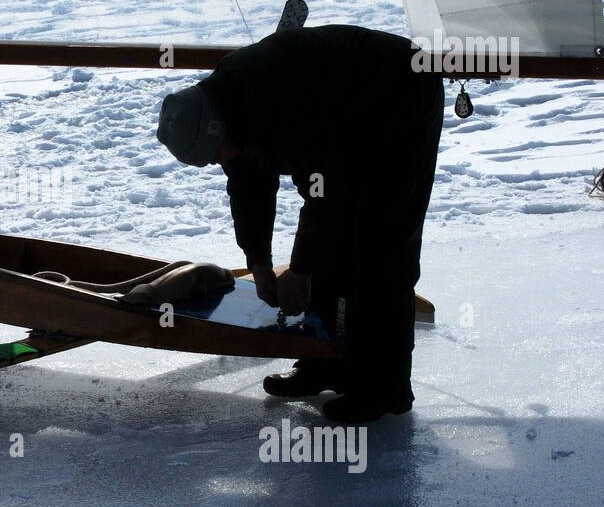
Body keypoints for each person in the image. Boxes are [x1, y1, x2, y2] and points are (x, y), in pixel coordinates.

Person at [156, 25, 443, 421]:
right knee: (332, 242)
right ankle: (322, 362)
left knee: (381, 241)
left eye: (215, 155)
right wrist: (257, 260)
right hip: (345, 111)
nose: (220, 162)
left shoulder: (280, 104)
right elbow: (247, 183)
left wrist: (301, 269)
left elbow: (328, 192)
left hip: (399, 95)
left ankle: (385, 388)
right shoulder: (224, 109)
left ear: (215, 128)